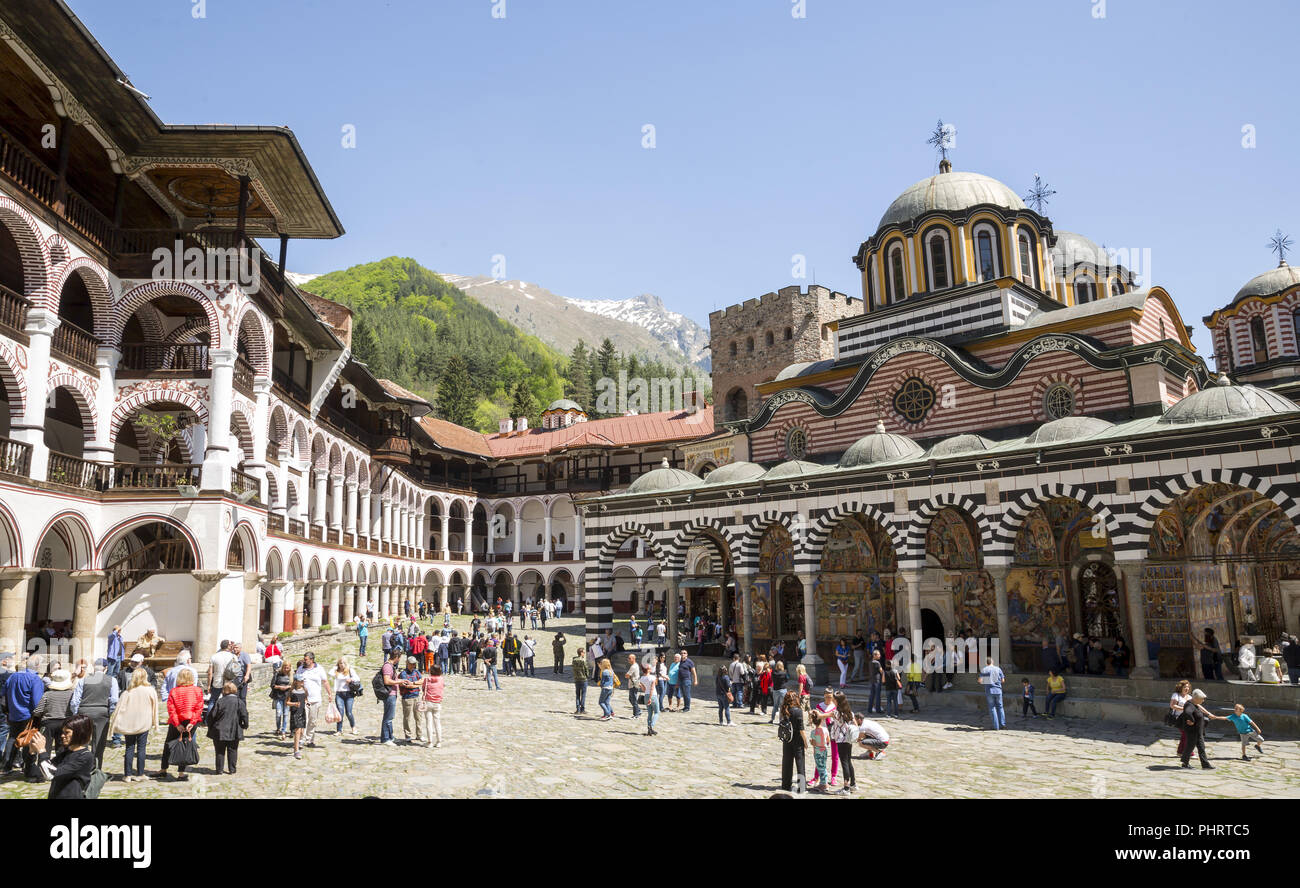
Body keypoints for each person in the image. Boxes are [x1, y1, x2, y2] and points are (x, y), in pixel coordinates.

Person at [30, 713, 95, 798]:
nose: (62, 735)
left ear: (79, 733)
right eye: (62, 732)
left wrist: (42, 751)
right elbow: (41, 771)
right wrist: (32, 752)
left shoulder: (85, 756)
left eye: (67, 732)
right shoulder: (66, 753)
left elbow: (50, 774)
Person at [109, 667, 157, 782]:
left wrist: (114, 725)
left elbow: (119, 709)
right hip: (144, 722)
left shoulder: (127, 692)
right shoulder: (150, 690)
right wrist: (155, 723)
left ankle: (127, 775)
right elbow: (154, 707)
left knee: (129, 748)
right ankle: (140, 773)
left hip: (129, 723)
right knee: (141, 748)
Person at [70, 659, 117, 769]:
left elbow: (75, 700)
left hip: (84, 712)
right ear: (106, 668)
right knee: (99, 744)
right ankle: (96, 768)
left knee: (83, 742)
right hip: (102, 712)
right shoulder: (112, 680)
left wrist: (76, 713)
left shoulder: (84, 680)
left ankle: (82, 767)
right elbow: (114, 699)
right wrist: (109, 712)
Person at [159, 668, 203, 780]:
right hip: (190, 720)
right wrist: (192, 722)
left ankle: (164, 768)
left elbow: (171, 709)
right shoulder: (197, 691)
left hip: (177, 720)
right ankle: (181, 773)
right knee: (185, 744)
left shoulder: (174, 691)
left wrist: (177, 723)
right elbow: (199, 708)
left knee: (168, 743)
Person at [206, 681, 248, 775]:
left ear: (224, 691)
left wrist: (211, 726)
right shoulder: (239, 702)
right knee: (232, 750)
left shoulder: (220, 701)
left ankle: (219, 770)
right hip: (234, 729)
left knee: (219, 751)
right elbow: (244, 715)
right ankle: (232, 769)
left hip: (219, 730)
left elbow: (212, 716)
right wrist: (245, 725)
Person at [33, 668, 76, 757]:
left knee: (45, 748)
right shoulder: (71, 694)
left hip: (48, 723)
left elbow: (38, 711)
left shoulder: (47, 694)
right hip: (65, 722)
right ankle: (60, 766)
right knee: (62, 748)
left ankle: (43, 765)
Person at [1179, 689, 1225, 769]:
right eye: (1202, 699)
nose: (1203, 700)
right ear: (1196, 698)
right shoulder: (1189, 705)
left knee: (1201, 748)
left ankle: (1205, 764)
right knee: (1190, 747)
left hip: (1198, 731)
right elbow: (1187, 712)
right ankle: (1185, 763)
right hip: (1192, 731)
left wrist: (1207, 715)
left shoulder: (1195, 704)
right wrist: (1192, 721)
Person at [777, 686, 807, 794]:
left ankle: (785, 785)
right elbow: (801, 729)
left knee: (787, 763)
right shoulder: (798, 711)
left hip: (787, 740)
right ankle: (801, 787)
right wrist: (806, 742)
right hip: (798, 741)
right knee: (800, 763)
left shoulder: (784, 710)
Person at [296, 652, 329, 747]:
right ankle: (301, 740)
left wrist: (329, 694)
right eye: (304, 659)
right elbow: (296, 681)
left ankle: (310, 739)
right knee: (303, 720)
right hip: (304, 699)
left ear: (312, 660)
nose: (304, 661)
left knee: (313, 721)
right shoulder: (300, 669)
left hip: (316, 699)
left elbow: (325, 681)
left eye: (306, 659)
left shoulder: (319, 669)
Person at [830, 691, 857, 792]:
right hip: (849, 740)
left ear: (837, 701)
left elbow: (826, 716)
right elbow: (855, 724)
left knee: (844, 762)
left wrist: (818, 715)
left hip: (841, 740)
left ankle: (846, 788)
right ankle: (853, 784)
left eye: (834, 699)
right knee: (848, 761)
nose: (832, 701)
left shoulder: (837, 713)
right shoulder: (849, 712)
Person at [331, 657, 359, 735]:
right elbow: (330, 673)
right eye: (340, 663)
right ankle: (339, 730)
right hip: (339, 694)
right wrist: (335, 667)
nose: (342, 665)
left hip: (349, 694)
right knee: (340, 712)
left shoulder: (350, 670)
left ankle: (353, 727)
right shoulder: (336, 671)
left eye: (343, 663)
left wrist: (351, 679)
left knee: (349, 712)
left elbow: (357, 678)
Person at [378, 650, 401, 745]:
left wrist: (400, 680)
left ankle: (390, 736)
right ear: (396, 657)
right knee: (388, 717)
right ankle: (385, 738)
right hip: (389, 694)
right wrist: (399, 682)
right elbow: (387, 681)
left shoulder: (390, 666)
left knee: (390, 716)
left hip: (392, 694)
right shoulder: (387, 666)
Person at [979, 657, 1006, 730]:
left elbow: (980, 681)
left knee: (992, 708)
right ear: (992, 662)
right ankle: (1003, 724)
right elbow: (1003, 680)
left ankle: (996, 726)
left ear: (986, 663)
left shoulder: (984, 669)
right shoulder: (998, 669)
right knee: (1000, 707)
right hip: (998, 690)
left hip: (989, 690)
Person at [809, 711, 832, 793]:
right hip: (825, 750)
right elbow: (828, 740)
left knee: (820, 767)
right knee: (824, 766)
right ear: (821, 720)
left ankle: (824, 784)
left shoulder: (813, 732)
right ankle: (824, 782)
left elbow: (814, 743)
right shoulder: (825, 730)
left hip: (818, 751)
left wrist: (811, 742)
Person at [270, 661, 292, 739]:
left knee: (286, 714)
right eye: (285, 667)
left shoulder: (291, 675)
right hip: (278, 696)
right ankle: (278, 728)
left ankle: (283, 731)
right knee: (278, 713)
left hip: (287, 697)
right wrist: (279, 687)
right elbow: (272, 685)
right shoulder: (277, 674)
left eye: (288, 668)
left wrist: (288, 687)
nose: (286, 669)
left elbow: (294, 685)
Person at [287, 677, 308, 759]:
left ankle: (297, 744)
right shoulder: (292, 691)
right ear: (296, 682)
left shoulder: (304, 690)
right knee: (298, 731)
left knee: (302, 731)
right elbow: (287, 702)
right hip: (295, 713)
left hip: (302, 712)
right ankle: (296, 751)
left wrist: (308, 703)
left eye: (303, 680)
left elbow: (305, 700)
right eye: (301, 680)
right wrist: (294, 704)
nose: (302, 682)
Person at [638, 658, 659, 736]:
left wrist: (641, 685)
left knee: (650, 713)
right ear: (648, 670)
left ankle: (649, 729)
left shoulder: (642, 678)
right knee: (657, 712)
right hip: (652, 696)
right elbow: (652, 689)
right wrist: (650, 698)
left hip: (646, 696)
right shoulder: (652, 678)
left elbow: (644, 689)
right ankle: (651, 726)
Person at [571, 647, 590, 714]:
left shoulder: (574, 660)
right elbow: (586, 670)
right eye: (584, 652)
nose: (584, 654)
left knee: (577, 695)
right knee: (583, 694)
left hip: (576, 679)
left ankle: (578, 709)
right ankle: (582, 709)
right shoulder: (583, 661)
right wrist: (587, 676)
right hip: (583, 679)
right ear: (581, 653)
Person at [625, 654, 642, 719]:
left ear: (633, 659)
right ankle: (638, 710)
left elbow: (627, 675)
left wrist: (627, 675)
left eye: (629, 658)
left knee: (633, 699)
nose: (628, 659)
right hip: (634, 684)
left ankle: (636, 714)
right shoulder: (635, 665)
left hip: (633, 685)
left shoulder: (633, 667)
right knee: (631, 698)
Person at [867, 650, 884, 714]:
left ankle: (869, 709)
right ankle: (878, 709)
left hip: (871, 680)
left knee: (872, 695)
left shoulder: (870, 662)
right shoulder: (877, 663)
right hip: (877, 680)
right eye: (878, 654)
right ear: (875, 655)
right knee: (877, 695)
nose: (880, 656)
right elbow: (881, 671)